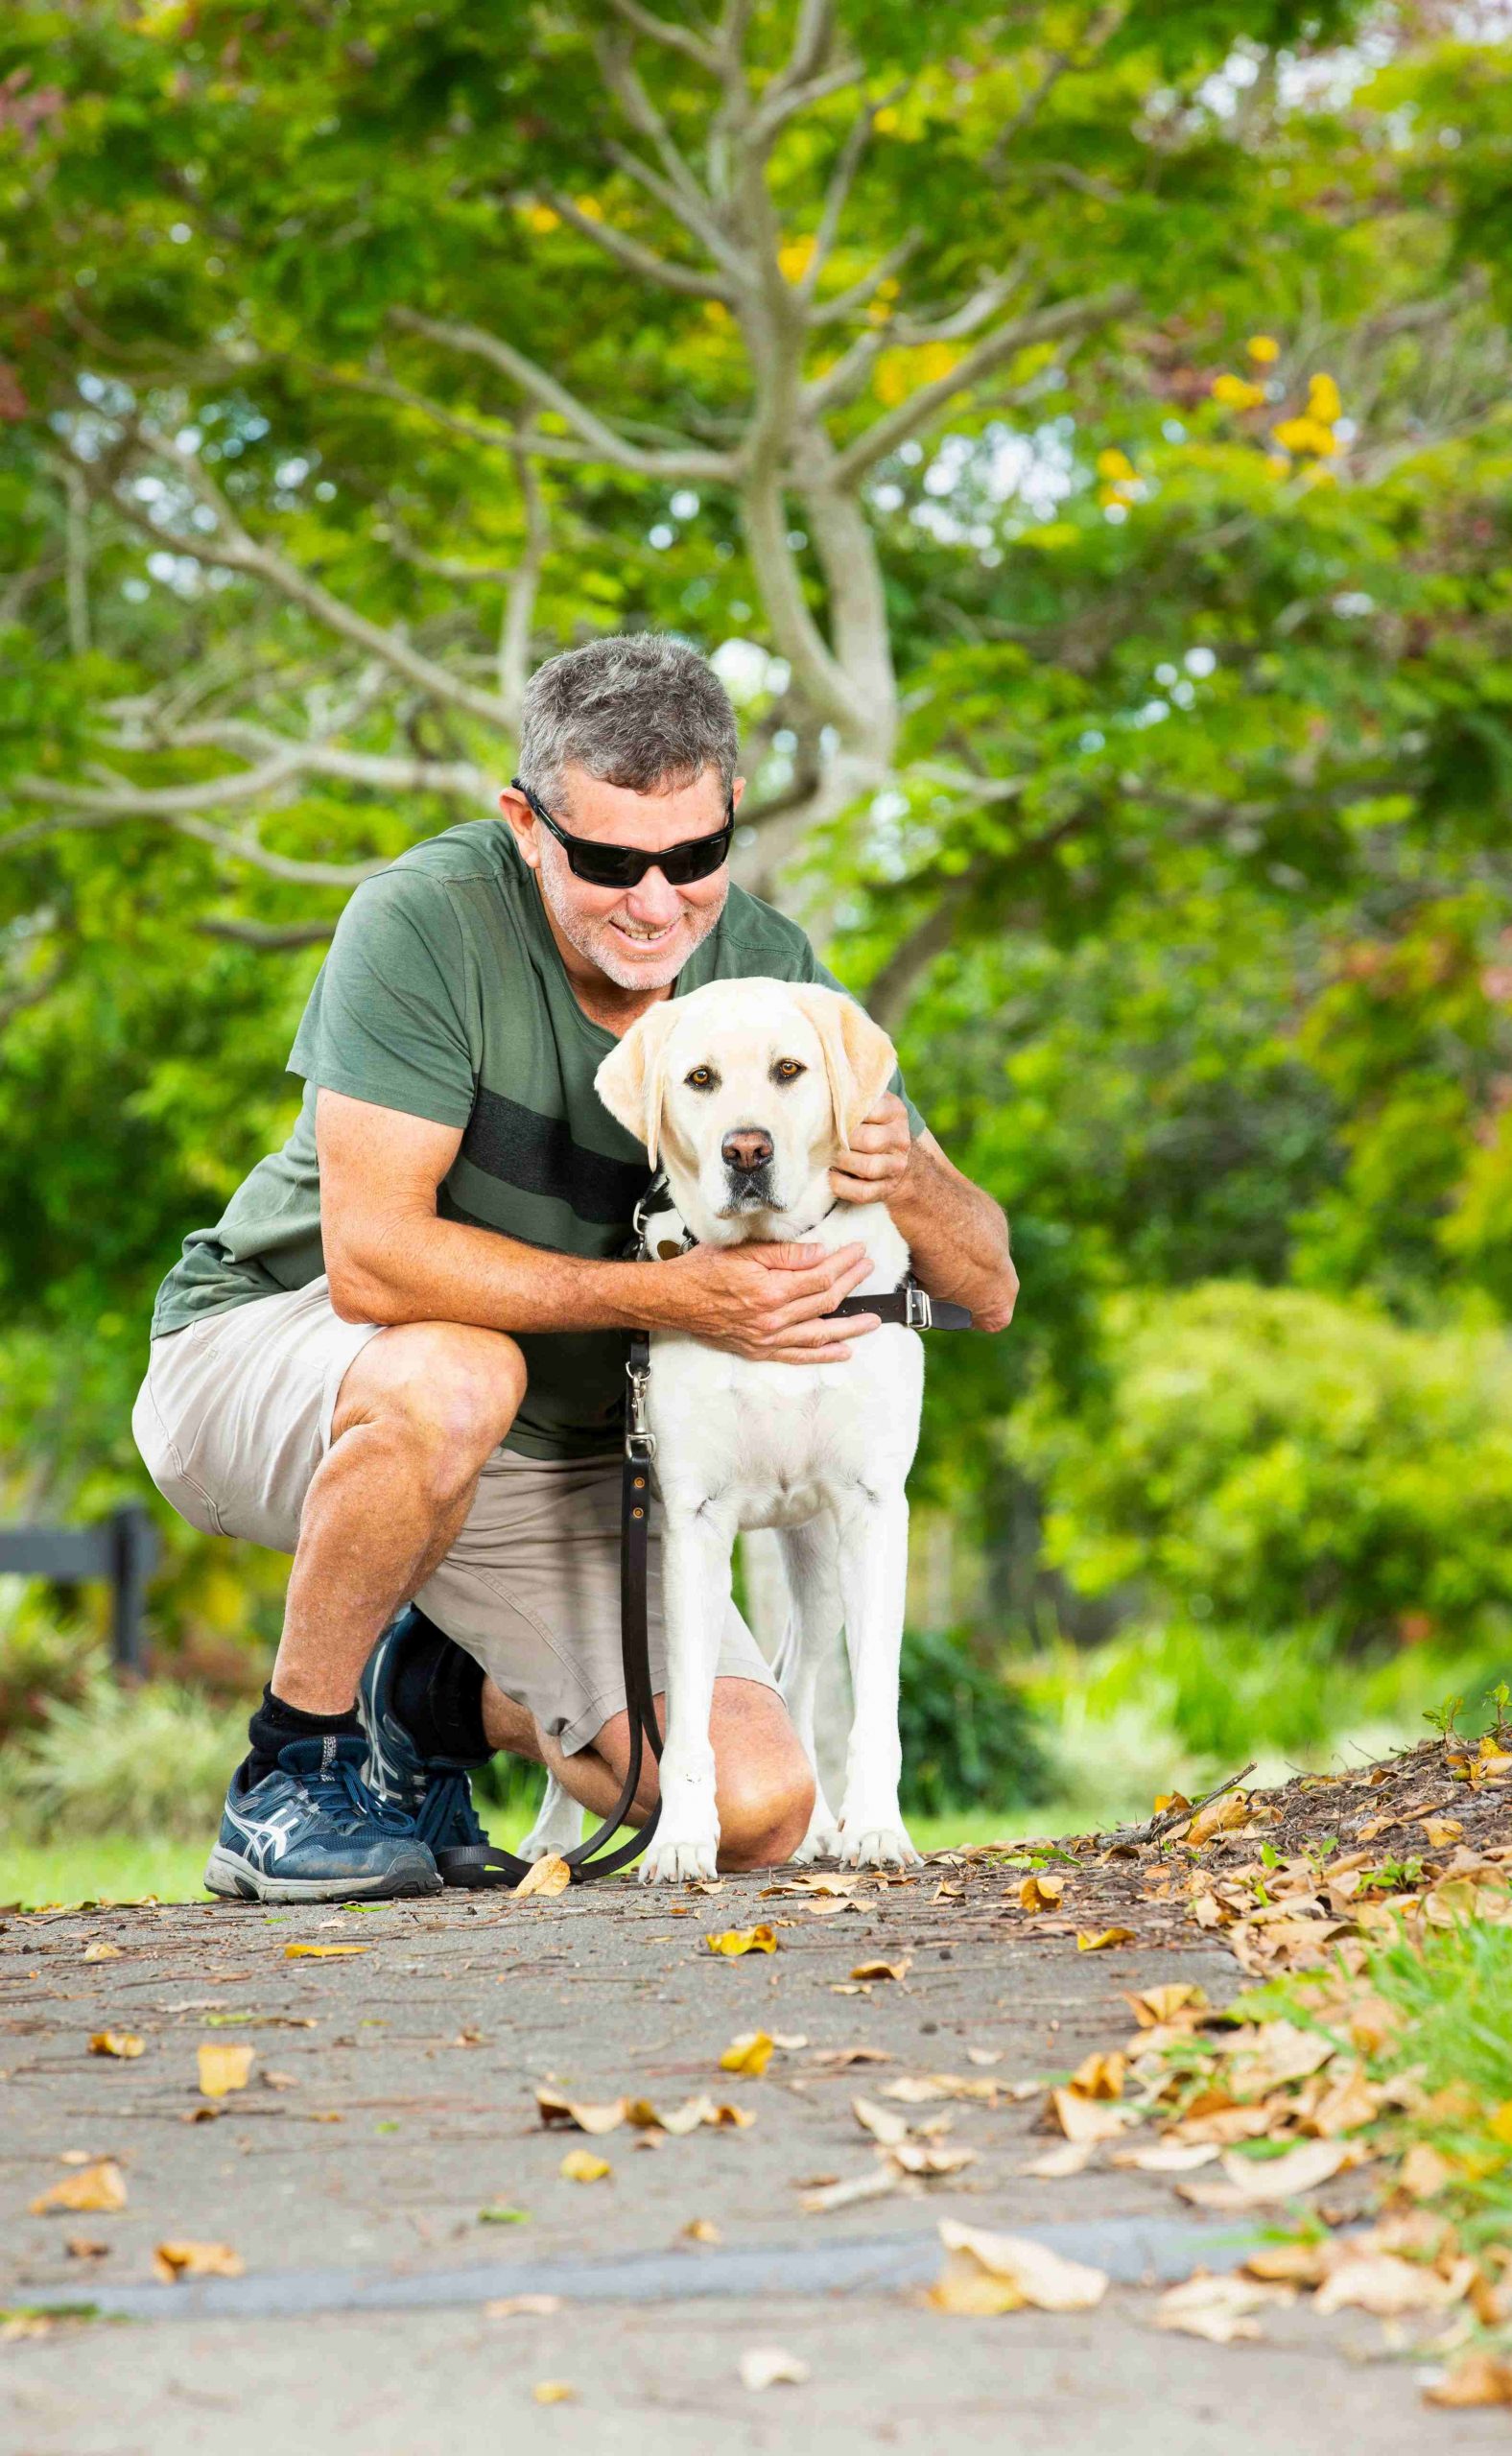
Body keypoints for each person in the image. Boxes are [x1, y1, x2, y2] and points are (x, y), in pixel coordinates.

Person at [132, 634, 1018, 1901]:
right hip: (275, 1351)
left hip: (557, 1456)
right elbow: (374, 1261)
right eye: (609, 861)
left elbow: (984, 1286)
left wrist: (907, 1168)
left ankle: (431, 1696)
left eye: (696, 857)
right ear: (527, 824)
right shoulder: (424, 922)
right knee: (453, 1373)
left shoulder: (772, 980)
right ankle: (296, 1769)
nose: (657, 902)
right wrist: (665, 1299)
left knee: (762, 1806)